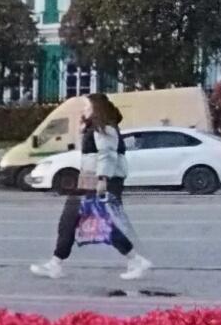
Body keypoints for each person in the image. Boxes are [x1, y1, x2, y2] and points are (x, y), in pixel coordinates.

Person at [30, 93, 153, 283]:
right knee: (69, 219)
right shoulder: (94, 128)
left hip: (103, 180)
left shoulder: (106, 128)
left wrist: (102, 179)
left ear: (97, 109)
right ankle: (56, 263)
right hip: (88, 179)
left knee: (105, 222)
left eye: (87, 107)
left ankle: (136, 260)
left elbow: (107, 154)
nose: (83, 110)